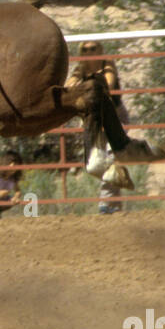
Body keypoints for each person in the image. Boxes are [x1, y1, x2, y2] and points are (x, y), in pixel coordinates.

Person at [68, 39, 131, 213]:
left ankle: (106, 202)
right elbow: (68, 85)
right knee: (99, 160)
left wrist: (82, 87)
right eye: (85, 49)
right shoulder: (80, 69)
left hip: (115, 116)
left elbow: (108, 84)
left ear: (100, 49)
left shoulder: (107, 63)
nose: (89, 52)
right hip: (94, 118)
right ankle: (115, 205)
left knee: (110, 154)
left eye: (93, 48)